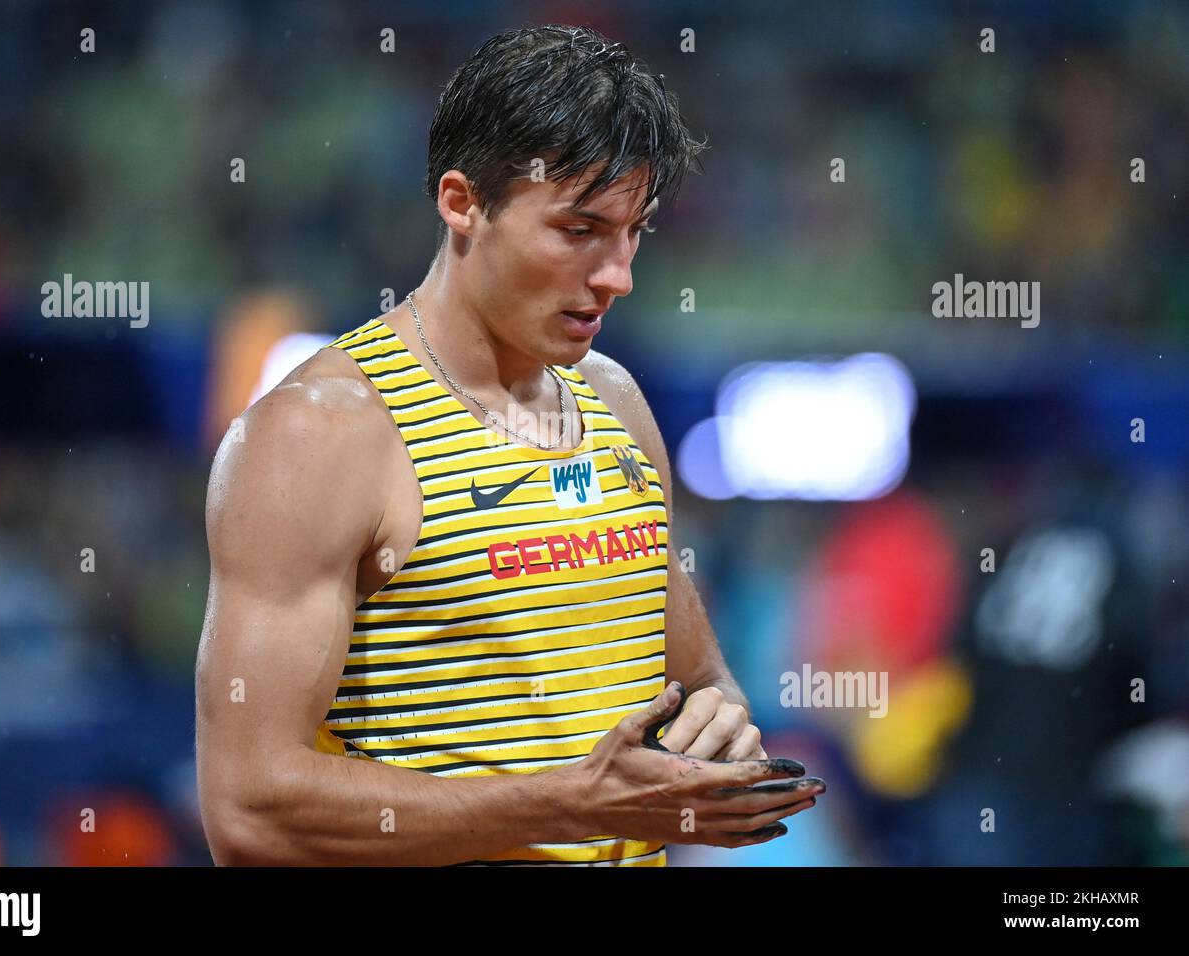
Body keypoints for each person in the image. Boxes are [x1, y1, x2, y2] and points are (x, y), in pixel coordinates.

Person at [196, 24, 824, 866]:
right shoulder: (321, 432)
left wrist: (717, 726)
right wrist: (562, 808)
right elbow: (247, 811)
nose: (618, 275)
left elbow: (701, 680)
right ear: (462, 203)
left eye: (634, 231)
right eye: (579, 230)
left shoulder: (616, 404)